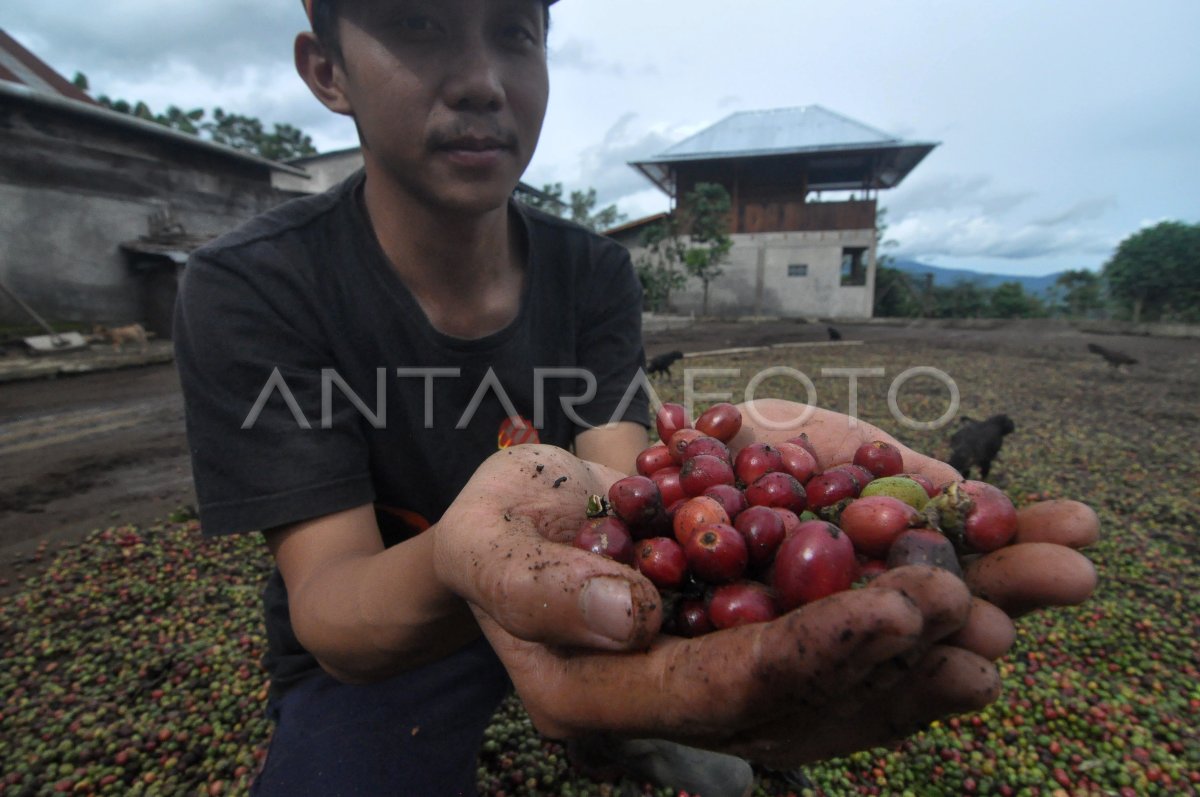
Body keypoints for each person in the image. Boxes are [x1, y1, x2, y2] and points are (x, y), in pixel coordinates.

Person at [173, 1, 1100, 795]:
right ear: (326, 69)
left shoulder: (591, 269)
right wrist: (473, 566)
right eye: (417, 25)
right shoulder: (255, 286)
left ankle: (612, 719)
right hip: (398, 630)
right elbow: (333, 606)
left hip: (597, 593)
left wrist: (692, 501)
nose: (481, 80)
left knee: (647, 638)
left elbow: (626, 485)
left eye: (513, 30)